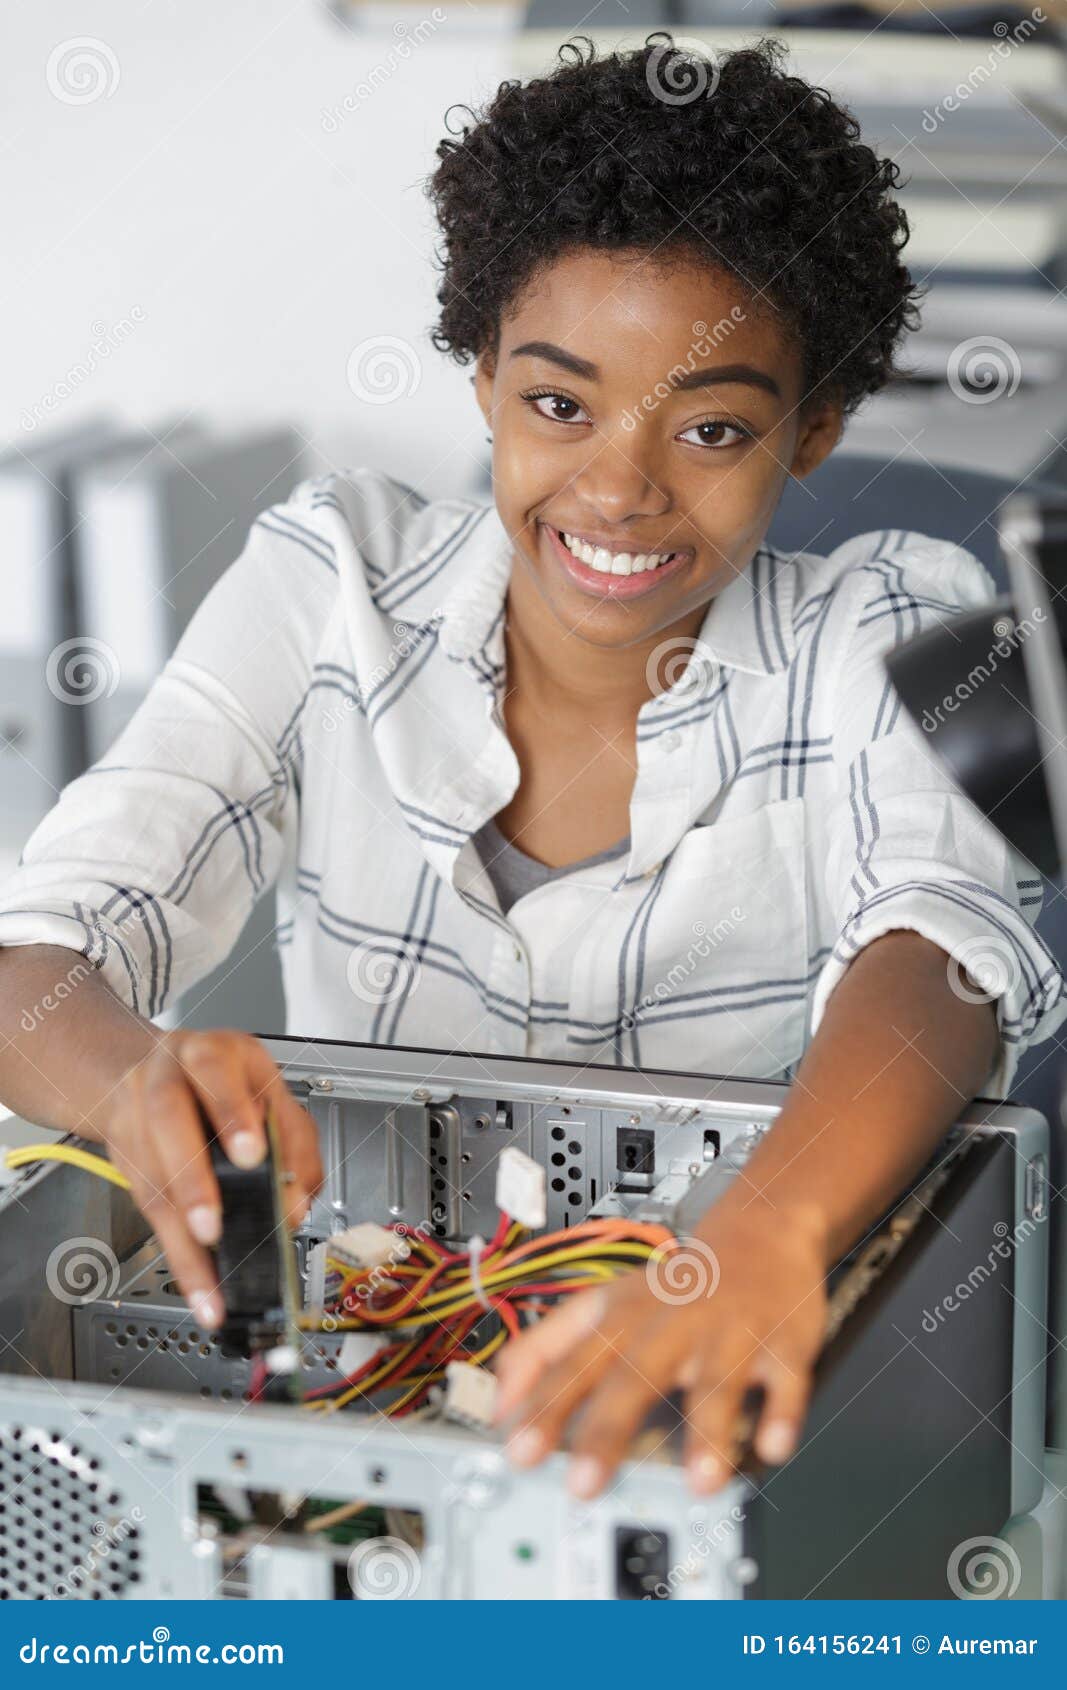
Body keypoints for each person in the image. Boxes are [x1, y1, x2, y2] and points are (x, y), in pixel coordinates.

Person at [0, 36, 1061, 1501]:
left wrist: (757, 1233)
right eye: (559, 403)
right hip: (372, 1376)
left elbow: (939, 951)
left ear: (809, 428)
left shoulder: (882, 621)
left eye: (711, 429)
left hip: (704, 1385)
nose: (620, 488)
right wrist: (127, 1087)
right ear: (484, 373)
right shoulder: (331, 582)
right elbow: (36, 944)